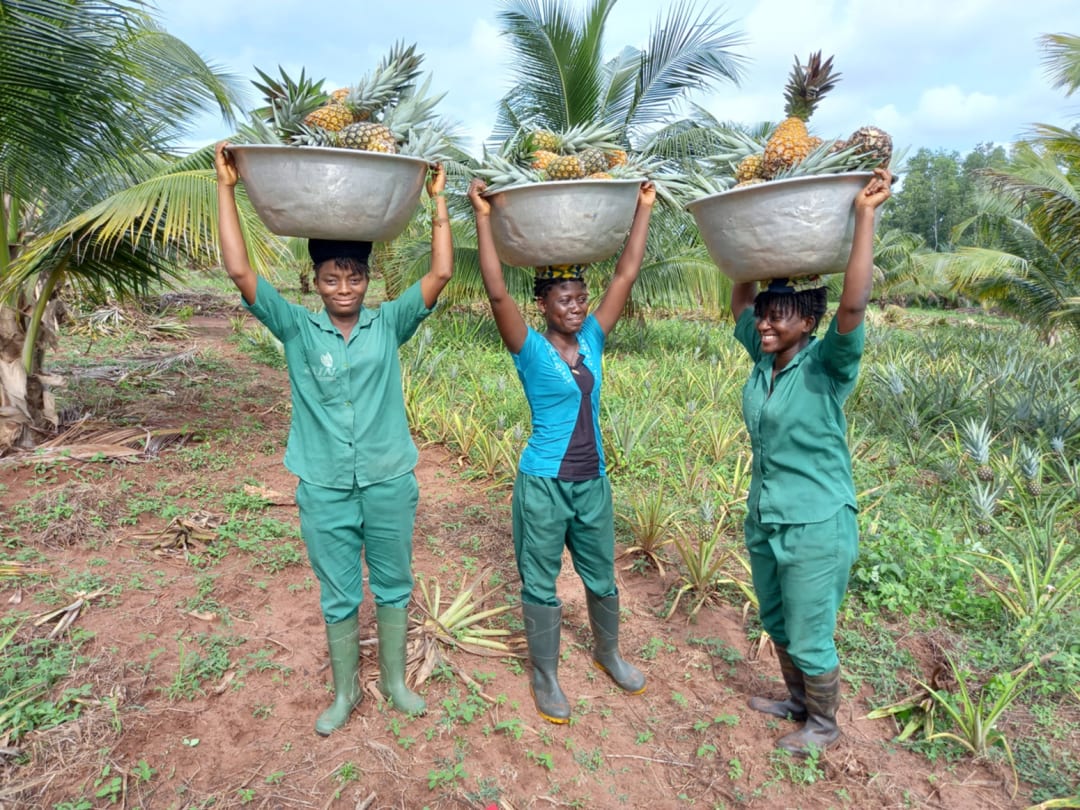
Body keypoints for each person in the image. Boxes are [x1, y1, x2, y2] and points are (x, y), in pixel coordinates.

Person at [214, 141, 453, 734]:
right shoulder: (295, 326)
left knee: (395, 580)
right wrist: (226, 187)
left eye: (354, 276)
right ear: (314, 281)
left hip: (388, 477)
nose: (343, 287)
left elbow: (441, 272)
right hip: (323, 483)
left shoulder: (389, 322)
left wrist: (440, 203)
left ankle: (395, 683)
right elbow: (241, 271)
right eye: (331, 277)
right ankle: (345, 693)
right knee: (338, 591)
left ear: (367, 279)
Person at [467, 177, 656, 724]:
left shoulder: (593, 338)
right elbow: (497, 291)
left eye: (579, 298)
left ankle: (608, 652)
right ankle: (546, 675)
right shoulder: (527, 348)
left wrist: (641, 207)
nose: (575, 307)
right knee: (540, 578)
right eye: (563, 300)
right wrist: (483, 217)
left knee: (601, 573)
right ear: (543, 304)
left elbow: (626, 273)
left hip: (592, 482)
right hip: (544, 484)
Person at [729, 167, 893, 755]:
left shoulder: (827, 364)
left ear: (809, 318)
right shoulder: (763, 355)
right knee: (775, 618)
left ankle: (823, 725)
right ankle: (797, 702)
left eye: (780, 313)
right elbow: (741, 298)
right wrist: (744, 234)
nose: (766, 322)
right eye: (766, 313)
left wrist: (864, 217)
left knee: (809, 629)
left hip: (817, 522)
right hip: (767, 516)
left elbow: (854, 304)